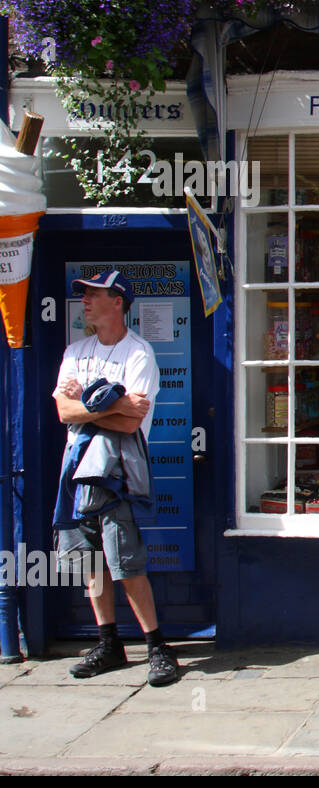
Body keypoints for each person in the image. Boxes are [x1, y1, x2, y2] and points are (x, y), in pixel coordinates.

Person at [52, 269, 179, 686]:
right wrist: (110, 405)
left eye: (94, 294)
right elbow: (63, 413)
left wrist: (86, 404)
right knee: (91, 561)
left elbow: (132, 424)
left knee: (125, 560)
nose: (85, 300)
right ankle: (109, 643)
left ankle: (157, 646)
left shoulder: (138, 353)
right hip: (77, 466)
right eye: (84, 294)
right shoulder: (75, 351)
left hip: (117, 469)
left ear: (118, 302)